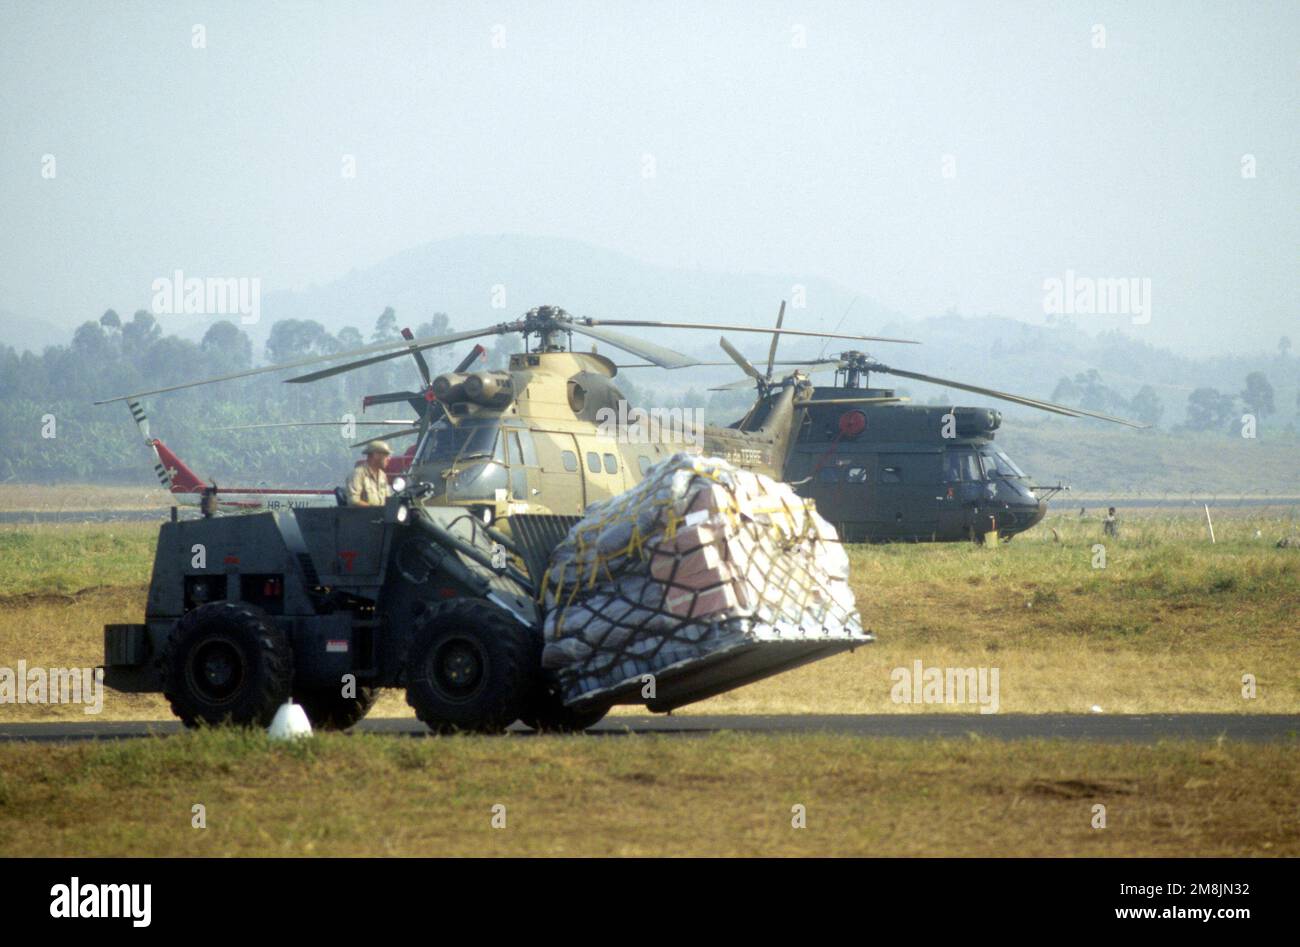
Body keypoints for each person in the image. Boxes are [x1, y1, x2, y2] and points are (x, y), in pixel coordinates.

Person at [347, 441, 392, 506]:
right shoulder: (358, 474)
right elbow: (354, 500)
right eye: (386, 455)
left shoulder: (383, 476)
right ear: (376, 455)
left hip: (382, 515)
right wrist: (375, 510)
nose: (389, 459)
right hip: (364, 515)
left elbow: (388, 499)